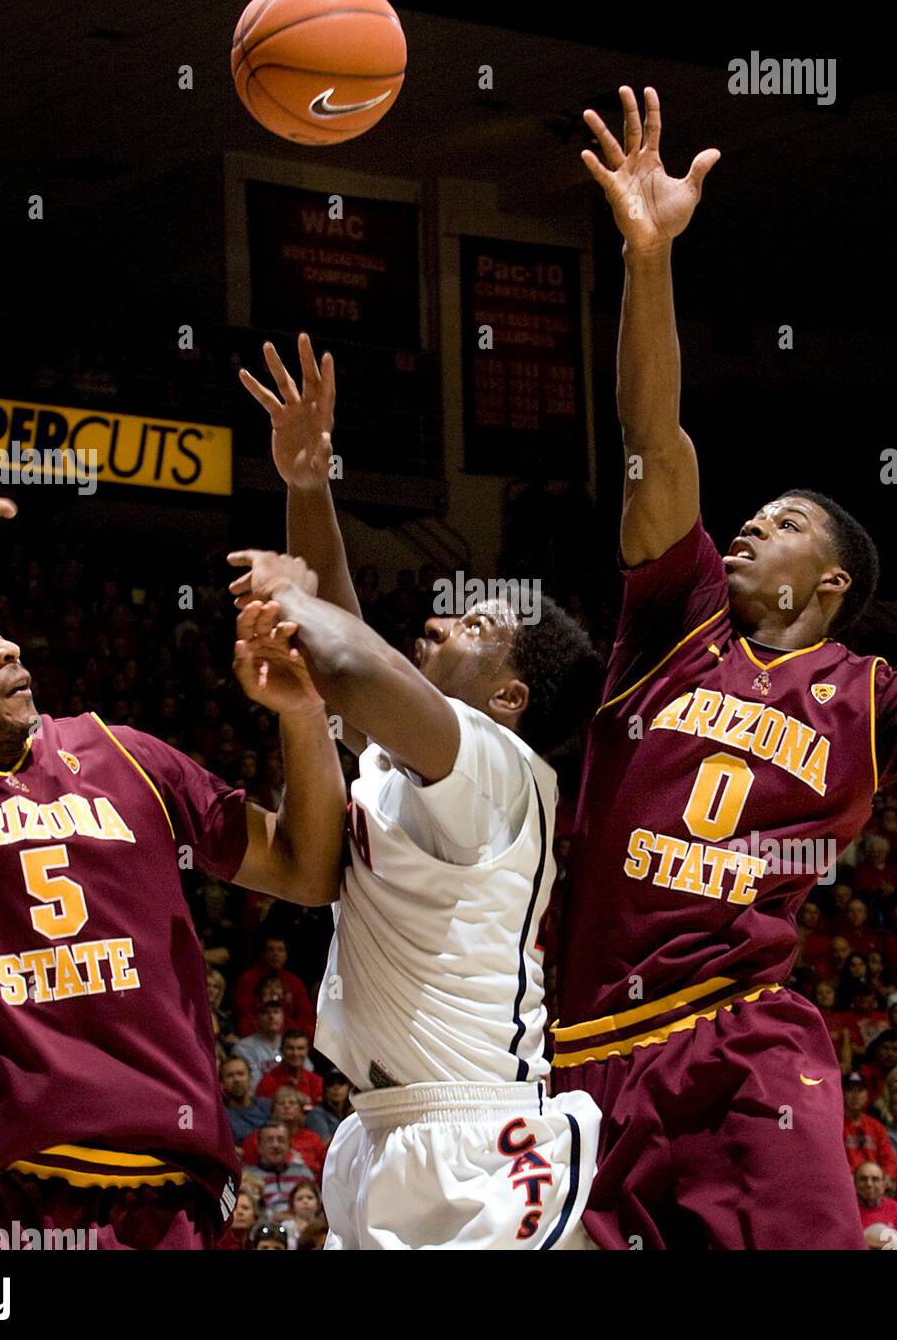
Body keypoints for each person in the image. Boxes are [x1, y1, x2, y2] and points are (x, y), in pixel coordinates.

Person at [548, 86, 897, 1250]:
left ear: (835, 578)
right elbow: (655, 435)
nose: (747, 530)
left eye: (783, 521)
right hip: (584, 1054)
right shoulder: (675, 617)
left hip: (743, 1037)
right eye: (748, 517)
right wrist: (648, 258)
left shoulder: (873, 699)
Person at [0, 420, 347, 1248]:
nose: (7, 645)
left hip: (162, 1200)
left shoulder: (123, 753)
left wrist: (302, 716)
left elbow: (305, 869)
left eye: (0, 632)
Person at [228, 331, 604, 1249]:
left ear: (508, 696)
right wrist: (309, 485)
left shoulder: (498, 768)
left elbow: (350, 657)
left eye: (474, 624)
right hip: (378, 1131)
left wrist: (287, 597)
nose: (437, 619)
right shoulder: (407, 762)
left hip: (480, 1136)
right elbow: (351, 645)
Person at [256, 1029, 323, 1105]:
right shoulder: (268, 1082)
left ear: (307, 1051)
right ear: (281, 1050)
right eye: (290, 1048)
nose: (295, 1053)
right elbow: (262, 1113)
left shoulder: (316, 1082)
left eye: (300, 1048)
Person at [221, 1055, 271, 1146]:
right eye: (230, 1076)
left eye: (240, 1074)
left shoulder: (267, 1106)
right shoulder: (221, 1116)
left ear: (250, 1078)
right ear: (222, 1083)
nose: (236, 1079)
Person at [854, 1161, 897, 1240]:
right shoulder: (848, 1210)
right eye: (863, 1179)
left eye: (875, 1179)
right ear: (855, 1183)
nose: (869, 1184)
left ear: (883, 1184)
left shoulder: (894, 1207)